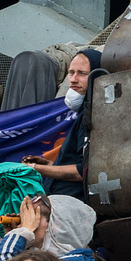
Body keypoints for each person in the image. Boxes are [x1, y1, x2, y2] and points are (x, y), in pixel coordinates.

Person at [24, 48, 101, 197]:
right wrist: (47, 164)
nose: (73, 79)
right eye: (71, 73)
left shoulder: (94, 116)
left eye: (82, 73)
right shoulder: (83, 113)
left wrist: (35, 168)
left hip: (71, 202)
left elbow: (83, 172)